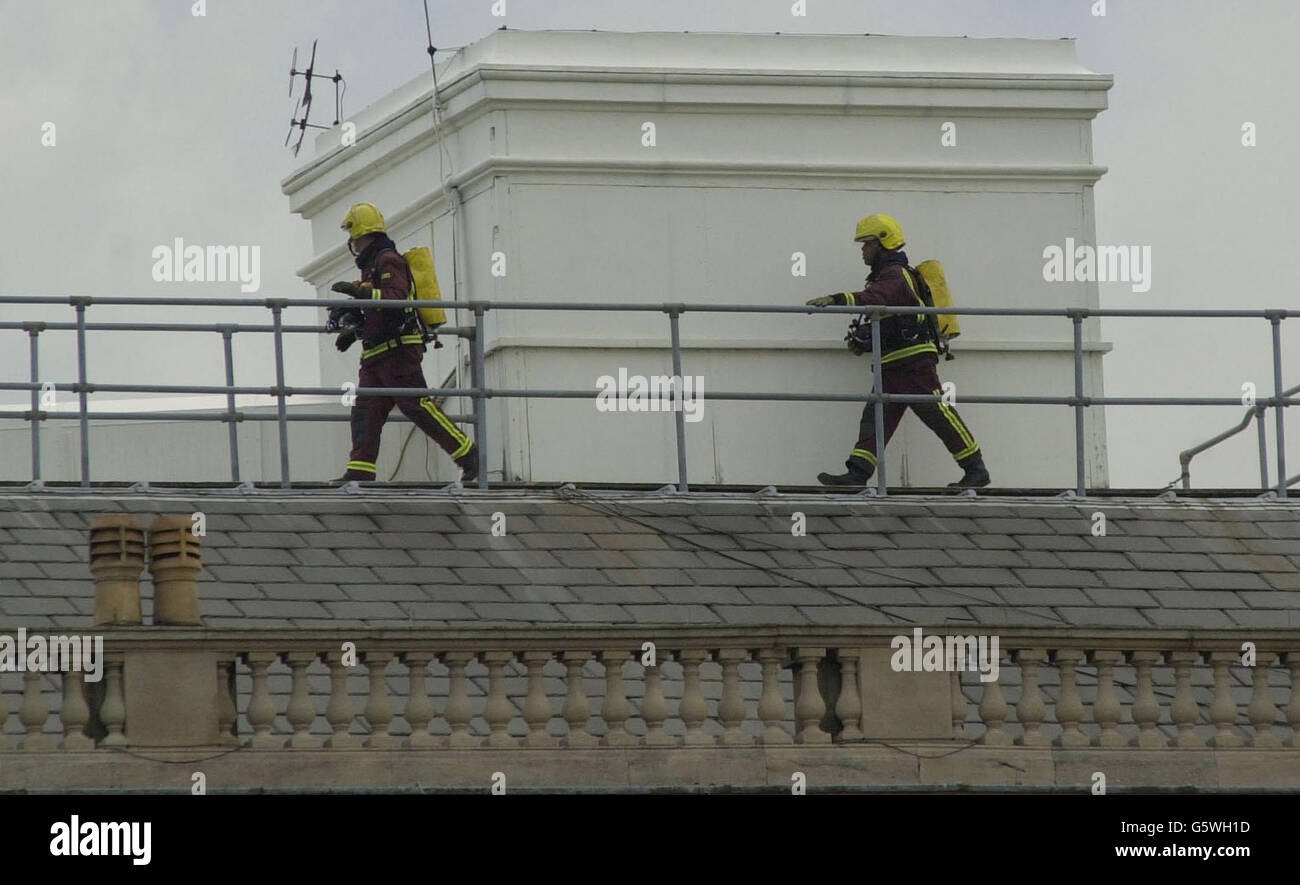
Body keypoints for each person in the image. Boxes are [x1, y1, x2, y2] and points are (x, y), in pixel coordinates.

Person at [806, 214, 989, 488]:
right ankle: (857, 473)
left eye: (866, 244)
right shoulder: (890, 275)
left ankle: (976, 470)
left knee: (938, 414)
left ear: (881, 243)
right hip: (895, 363)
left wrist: (837, 299)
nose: (863, 250)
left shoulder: (894, 275)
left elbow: (875, 299)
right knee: (877, 416)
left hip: (912, 362)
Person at [330, 202, 478, 484]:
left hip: (397, 351)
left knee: (417, 406)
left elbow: (394, 299)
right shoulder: (372, 265)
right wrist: (354, 327)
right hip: (376, 353)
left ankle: (469, 454)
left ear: (362, 234)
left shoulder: (388, 260)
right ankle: (361, 470)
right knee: (365, 411)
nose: (353, 243)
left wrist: (360, 295)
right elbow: (377, 308)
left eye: (354, 236)